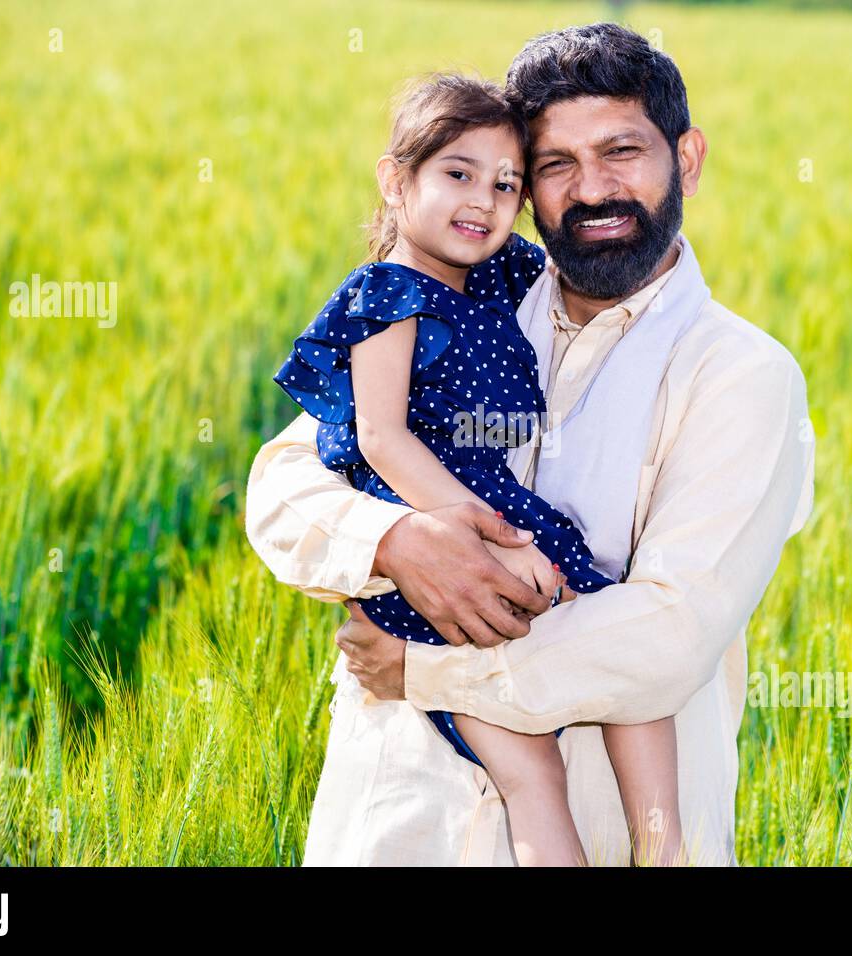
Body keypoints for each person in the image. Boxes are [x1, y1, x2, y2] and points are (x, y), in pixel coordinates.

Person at [245, 22, 815, 866]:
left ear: (686, 160)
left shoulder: (739, 374)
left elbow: (669, 630)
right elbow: (286, 480)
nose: (592, 190)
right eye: (555, 165)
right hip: (401, 827)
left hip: (603, 834)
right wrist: (400, 541)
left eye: (622, 151)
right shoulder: (460, 296)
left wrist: (426, 670)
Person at [269, 72, 684, 865]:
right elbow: (382, 439)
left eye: (508, 185)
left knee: (631, 683)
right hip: (453, 526)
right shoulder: (387, 296)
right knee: (531, 771)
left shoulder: (499, 275)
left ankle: (667, 853)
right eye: (457, 174)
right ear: (395, 180)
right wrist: (482, 540)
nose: (484, 202)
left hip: (499, 513)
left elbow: (604, 281)